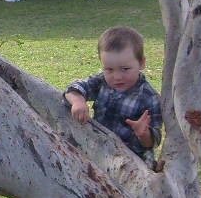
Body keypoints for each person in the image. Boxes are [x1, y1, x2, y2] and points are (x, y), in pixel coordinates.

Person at [64, 26, 163, 166]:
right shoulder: (102, 81)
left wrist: (143, 133)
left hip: (133, 164)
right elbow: (75, 87)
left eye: (125, 69)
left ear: (141, 63)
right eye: (109, 69)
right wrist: (78, 101)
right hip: (99, 152)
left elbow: (154, 141)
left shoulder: (150, 98)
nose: (117, 77)